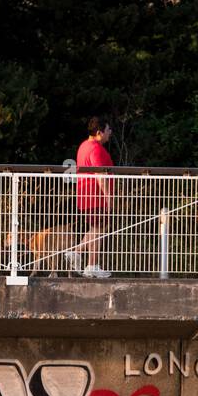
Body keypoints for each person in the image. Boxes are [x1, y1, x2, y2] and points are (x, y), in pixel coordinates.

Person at [74, 116, 114, 278]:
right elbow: (100, 175)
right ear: (99, 132)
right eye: (107, 130)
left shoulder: (83, 146)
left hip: (86, 196)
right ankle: (92, 265)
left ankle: (76, 253)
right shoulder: (95, 148)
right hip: (95, 196)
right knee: (98, 230)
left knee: (96, 229)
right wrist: (109, 198)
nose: (110, 132)